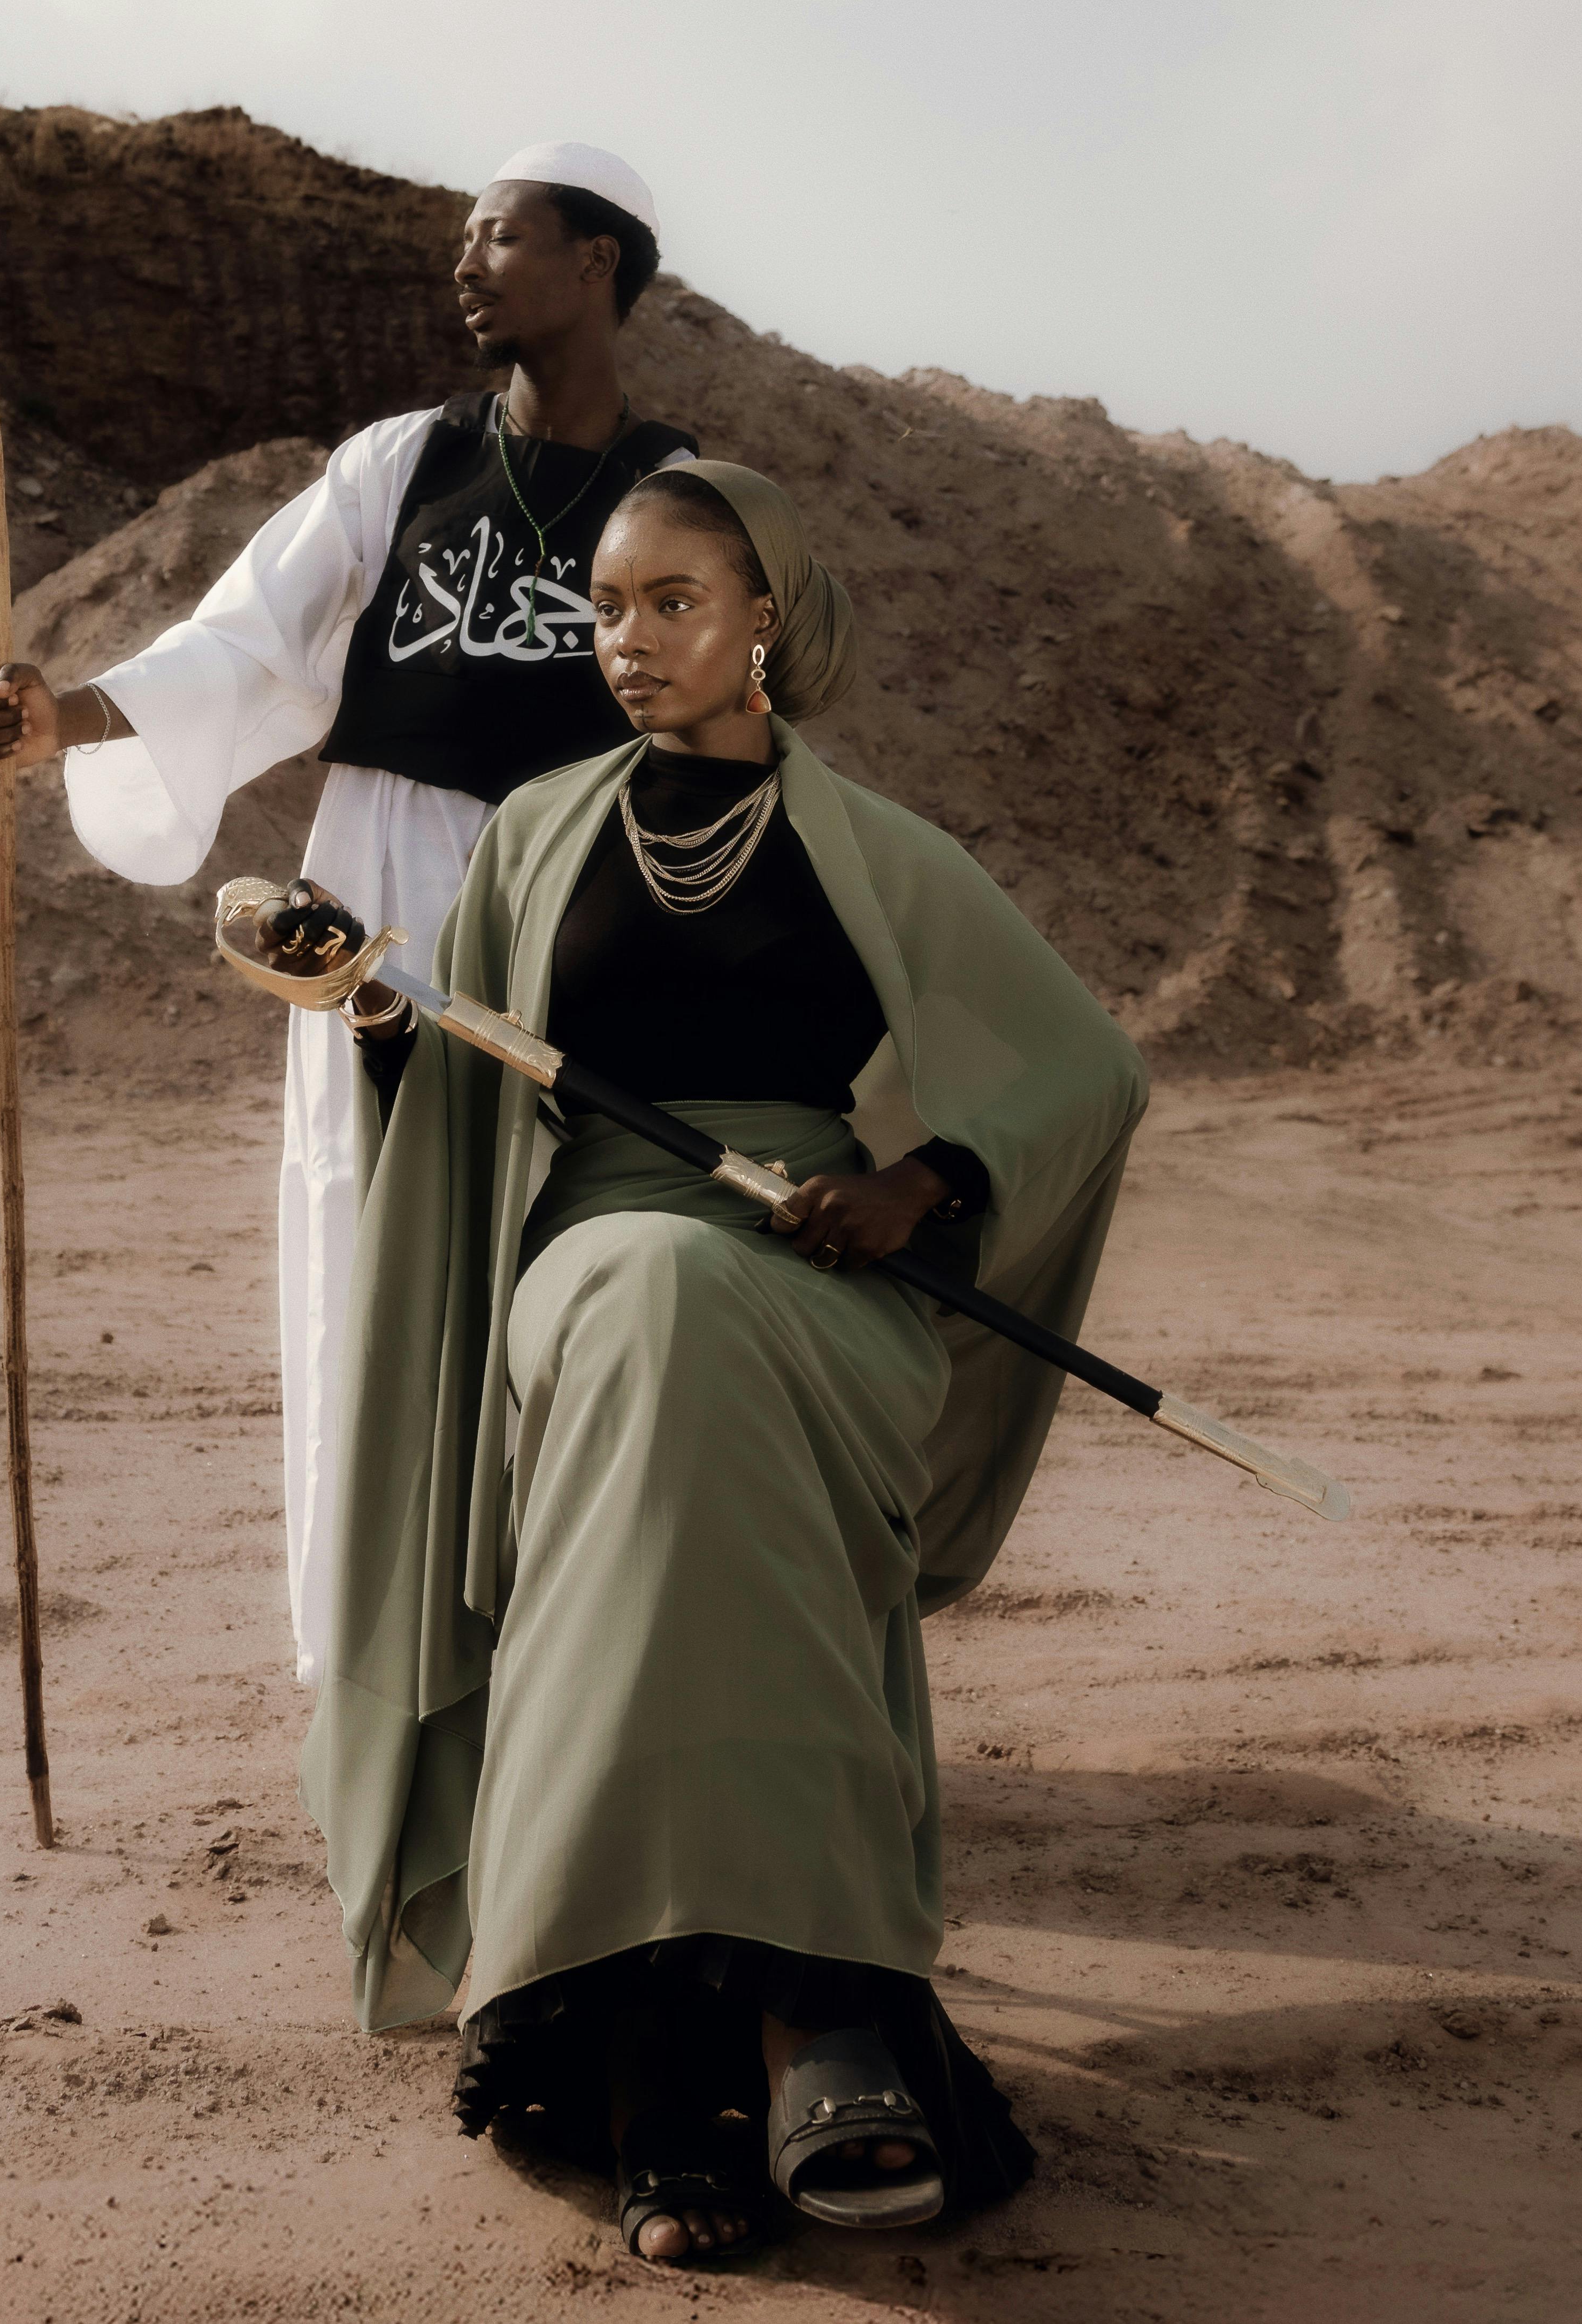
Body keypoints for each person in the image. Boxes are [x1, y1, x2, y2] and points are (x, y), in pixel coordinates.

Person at [263, 462, 1147, 2264]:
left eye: (673, 599)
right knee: (657, 1303)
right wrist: (368, 1009)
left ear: (764, 616)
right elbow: (464, 1087)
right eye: (606, 608)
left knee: (697, 1343)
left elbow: (1078, 1069)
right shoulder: (536, 833)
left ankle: (690, 2051)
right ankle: (784, 2020)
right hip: (591, 1251)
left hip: (819, 1281)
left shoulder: (883, 850)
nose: (629, 638)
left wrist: (919, 1180)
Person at [0, 145, 694, 1683]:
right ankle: (377, 1668)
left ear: (598, 265)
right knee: (367, 1255)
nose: (465, 261)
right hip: (382, 924)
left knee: (569, 1281)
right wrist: (66, 719)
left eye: (500, 235)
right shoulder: (399, 464)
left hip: (589, 919)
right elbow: (248, 650)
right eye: (463, 238)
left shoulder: (682, 497)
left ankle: (568, 1678)